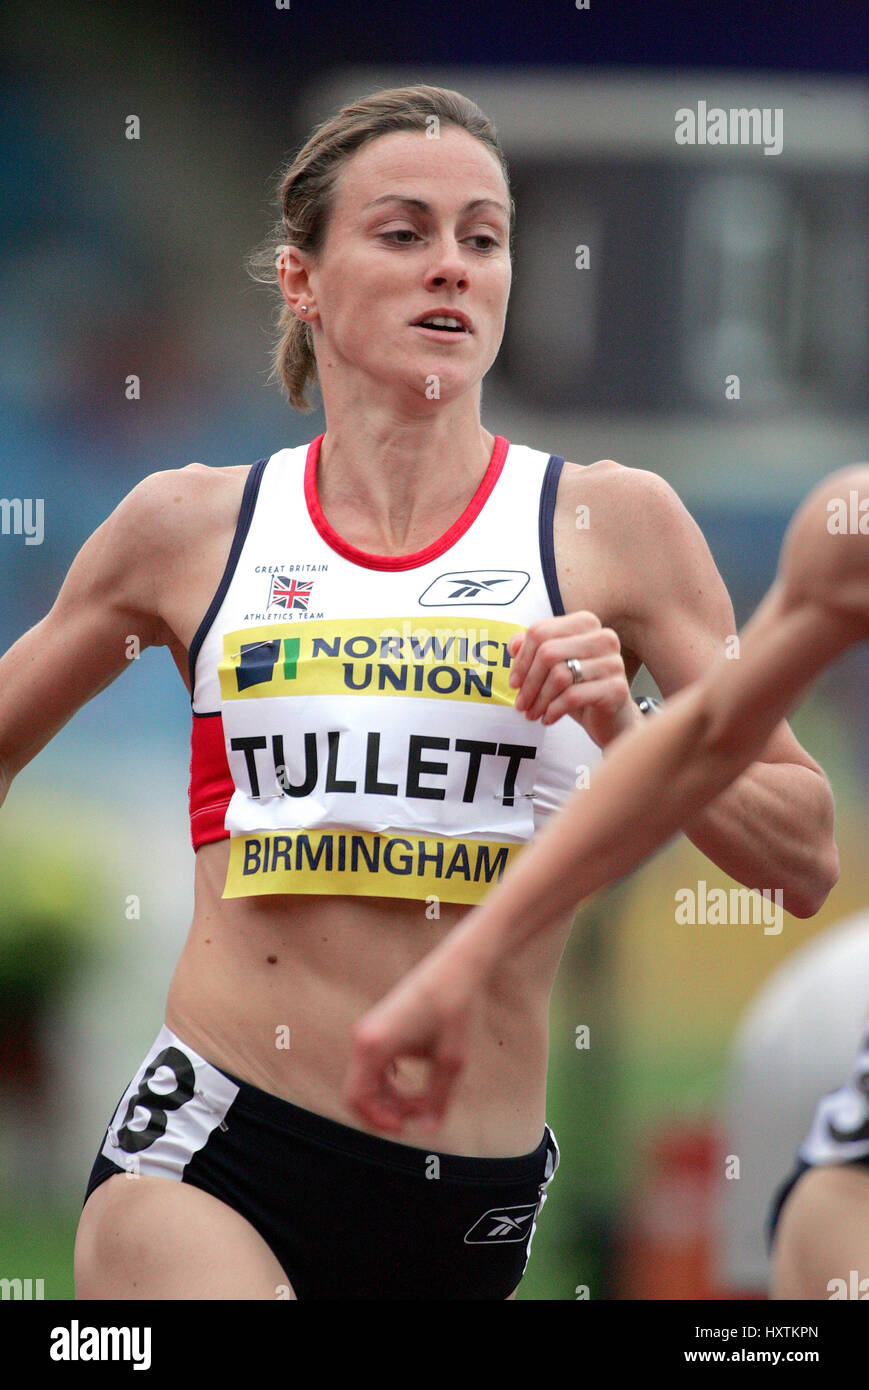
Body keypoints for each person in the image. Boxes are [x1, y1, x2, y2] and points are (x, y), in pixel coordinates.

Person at [0, 83, 837, 1302]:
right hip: (213, 1147)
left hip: (470, 1197)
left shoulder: (612, 528)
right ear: (301, 282)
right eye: (402, 233)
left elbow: (801, 857)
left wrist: (630, 721)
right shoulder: (186, 529)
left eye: (482, 238)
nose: (451, 268)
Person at [343, 464, 869, 1299]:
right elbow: (704, 743)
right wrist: (461, 962)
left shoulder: (636, 522)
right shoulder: (851, 527)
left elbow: (794, 844)